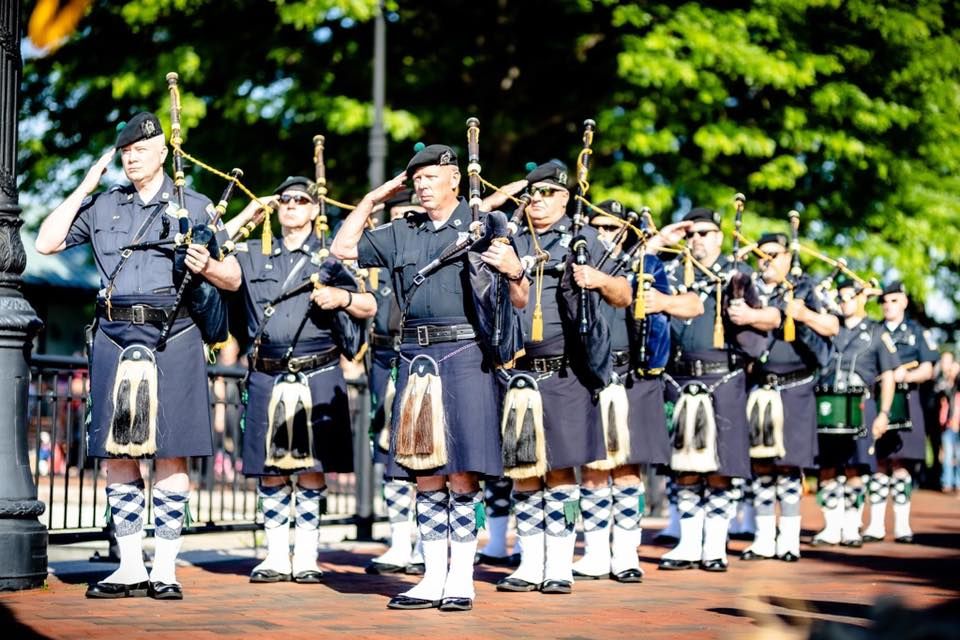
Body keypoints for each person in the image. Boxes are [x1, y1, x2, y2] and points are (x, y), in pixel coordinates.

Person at [36, 112, 242, 599]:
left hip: (174, 334)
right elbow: (45, 242)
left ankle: (165, 568)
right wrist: (86, 184)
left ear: (163, 153)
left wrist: (207, 266)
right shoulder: (104, 204)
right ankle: (129, 566)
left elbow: (233, 278)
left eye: (142, 150)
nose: (132, 158)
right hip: (114, 334)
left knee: (171, 453)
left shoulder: (195, 205)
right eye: (126, 152)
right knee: (117, 455)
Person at [332, 144, 528, 612]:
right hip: (416, 355)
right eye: (415, 179)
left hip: (466, 353)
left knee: (461, 474)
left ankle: (461, 579)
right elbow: (341, 249)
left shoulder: (483, 225)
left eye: (430, 178)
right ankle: (431, 577)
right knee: (425, 473)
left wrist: (515, 270)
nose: (421, 186)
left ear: (454, 180)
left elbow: (520, 299)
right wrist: (373, 198)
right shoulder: (403, 230)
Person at [226, 176, 374, 584]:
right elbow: (211, 249)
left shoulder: (331, 256)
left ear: (314, 209)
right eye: (285, 200)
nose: (291, 205)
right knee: (270, 469)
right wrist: (248, 213)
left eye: (301, 200)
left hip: (318, 370)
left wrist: (341, 297)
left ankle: (307, 555)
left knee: (312, 468)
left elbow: (368, 304)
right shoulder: (252, 252)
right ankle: (276, 555)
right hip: (266, 371)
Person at [494, 165, 631, 595]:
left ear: (565, 197)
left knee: (560, 471)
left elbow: (624, 294)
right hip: (518, 372)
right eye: (532, 193)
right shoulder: (513, 238)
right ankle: (529, 563)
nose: (537, 200)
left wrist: (600, 279)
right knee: (523, 472)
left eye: (548, 192)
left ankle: (559, 564)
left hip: (564, 370)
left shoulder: (582, 237)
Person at [649, 207, 780, 572]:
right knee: (685, 467)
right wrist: (658, 242)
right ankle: (689, 544)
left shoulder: (738, 273)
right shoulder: (672, 271)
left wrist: (751, 316)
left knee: (721, 466)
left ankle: (715, 547)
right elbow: (636, 276)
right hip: (679, 376)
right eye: (692, 234)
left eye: (705, 233)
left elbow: (774, 315)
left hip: (724, 375)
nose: (697, 239)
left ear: (720, 237)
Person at [573, 200, 675, 583]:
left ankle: (627, 554)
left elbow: (684, 306)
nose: (604, 233)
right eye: (597, 226)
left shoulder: (645, 267)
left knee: (629, 469)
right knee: (594, 468)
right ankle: (596, 553)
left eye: (612, 227)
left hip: (633, 372)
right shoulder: (578, 261)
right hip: (591, 373)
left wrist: (661, 297)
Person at [740, 232, 837, 562]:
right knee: (762, 465)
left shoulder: (804, 287)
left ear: (787, 257)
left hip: (796, 387)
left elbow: (832, 326)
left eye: (773, 254)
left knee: (790, 466)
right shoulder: (748, 288)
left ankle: (790, 540)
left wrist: (804, 314)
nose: (766, 260)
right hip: (760, 387)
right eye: (761, 255)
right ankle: (764, 538)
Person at [364, 189, 426, 575]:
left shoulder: (429, 252)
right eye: (399, 215)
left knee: (427, 449)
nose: (406, 221)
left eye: (412, 214)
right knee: (389, 452)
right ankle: (399, 541)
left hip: (422, 355)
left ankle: (425, 542)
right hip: (384, 357)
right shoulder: (377, 258)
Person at [811, 275, 896, 547]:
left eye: (849, 296)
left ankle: (850, 526)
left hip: (861, 405)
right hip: (828, 405)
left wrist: (883, 413)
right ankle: (831, 526)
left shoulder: (876, 332)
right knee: (827, 467)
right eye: (841, 297)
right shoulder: (830, 326)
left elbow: (889, 375)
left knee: (855, 469)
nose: (844, 302)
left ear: (862, 297)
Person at [863, 281, 938, 543]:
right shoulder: (874, 331)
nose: (888, 306)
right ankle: (875, 524)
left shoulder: (917, 332)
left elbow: (928, 369)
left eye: (893, 300)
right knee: (878, 463)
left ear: (904, 302)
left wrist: (905, 375)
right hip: (878, 400)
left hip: (907, 399)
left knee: (901, 465)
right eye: (884, 301)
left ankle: (902, 525)